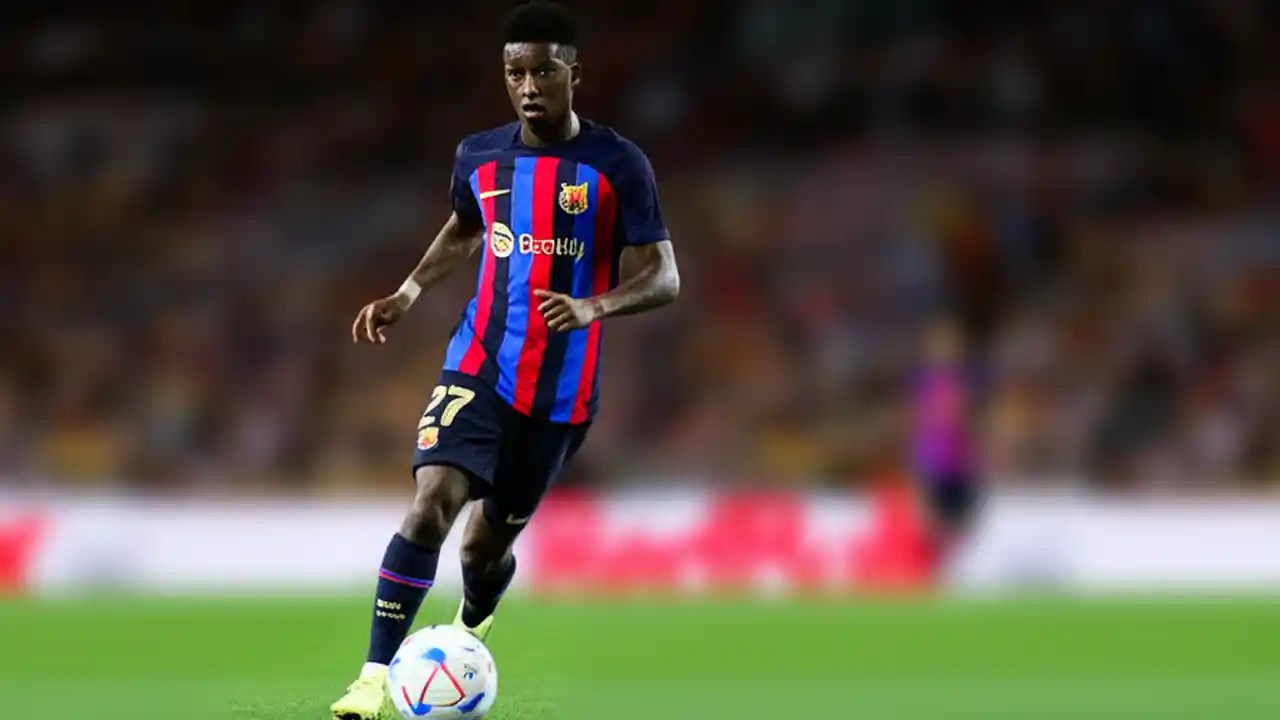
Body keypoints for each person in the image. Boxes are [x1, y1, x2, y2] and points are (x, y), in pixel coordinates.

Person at [331, 3, 680, 718]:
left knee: (482, 552)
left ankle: (471, 625)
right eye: (515, 72)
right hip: (479, 367)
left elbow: (665, 276)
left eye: (544, 70)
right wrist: (409, 290)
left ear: (573, 74)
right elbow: (465, 229)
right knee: (431, 505)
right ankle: (371, 678)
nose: (528, 85)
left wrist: (594, 306)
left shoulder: (618, 166)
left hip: (559, 398)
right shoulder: (480, 157)